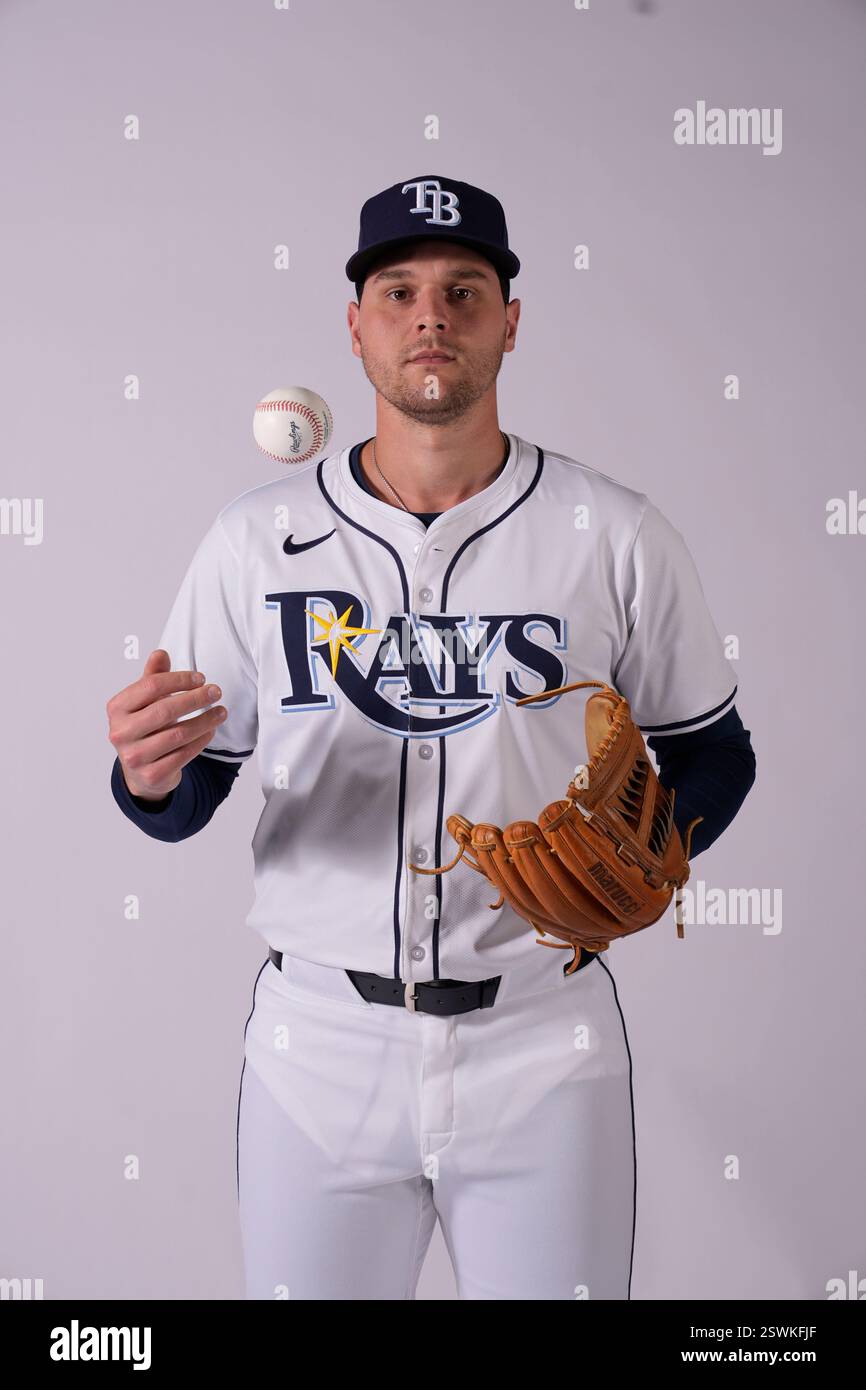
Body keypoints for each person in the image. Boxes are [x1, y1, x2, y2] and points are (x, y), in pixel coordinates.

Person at [107, 175, 756, 1300]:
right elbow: (192, 783)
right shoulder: (255, 540)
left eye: (465, 290)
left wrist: (656, 847)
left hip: (543, 1041)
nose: (430, 315)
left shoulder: (610, 532)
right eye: (397, 289)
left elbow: (713, 747)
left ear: (511, 321)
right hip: (319, 1047)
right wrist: (147, 778)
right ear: (354, 327)